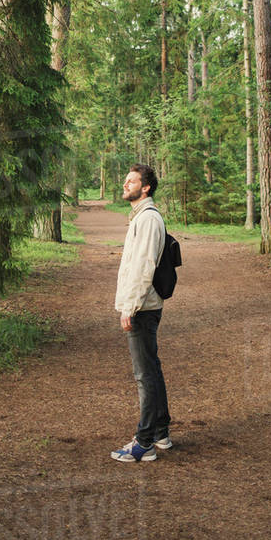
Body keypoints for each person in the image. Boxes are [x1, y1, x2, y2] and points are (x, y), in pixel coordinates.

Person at [111, 163, 172, 463]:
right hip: (144, 305)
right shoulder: (141, 217)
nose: (125, 184)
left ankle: (144, 442)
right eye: (126, 180)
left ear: (145, 187)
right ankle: (160, 431)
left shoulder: (147, 219)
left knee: (144, 375)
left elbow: (144, 266)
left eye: (131, 181)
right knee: (152, 369)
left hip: (142, 307)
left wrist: (129, 307)